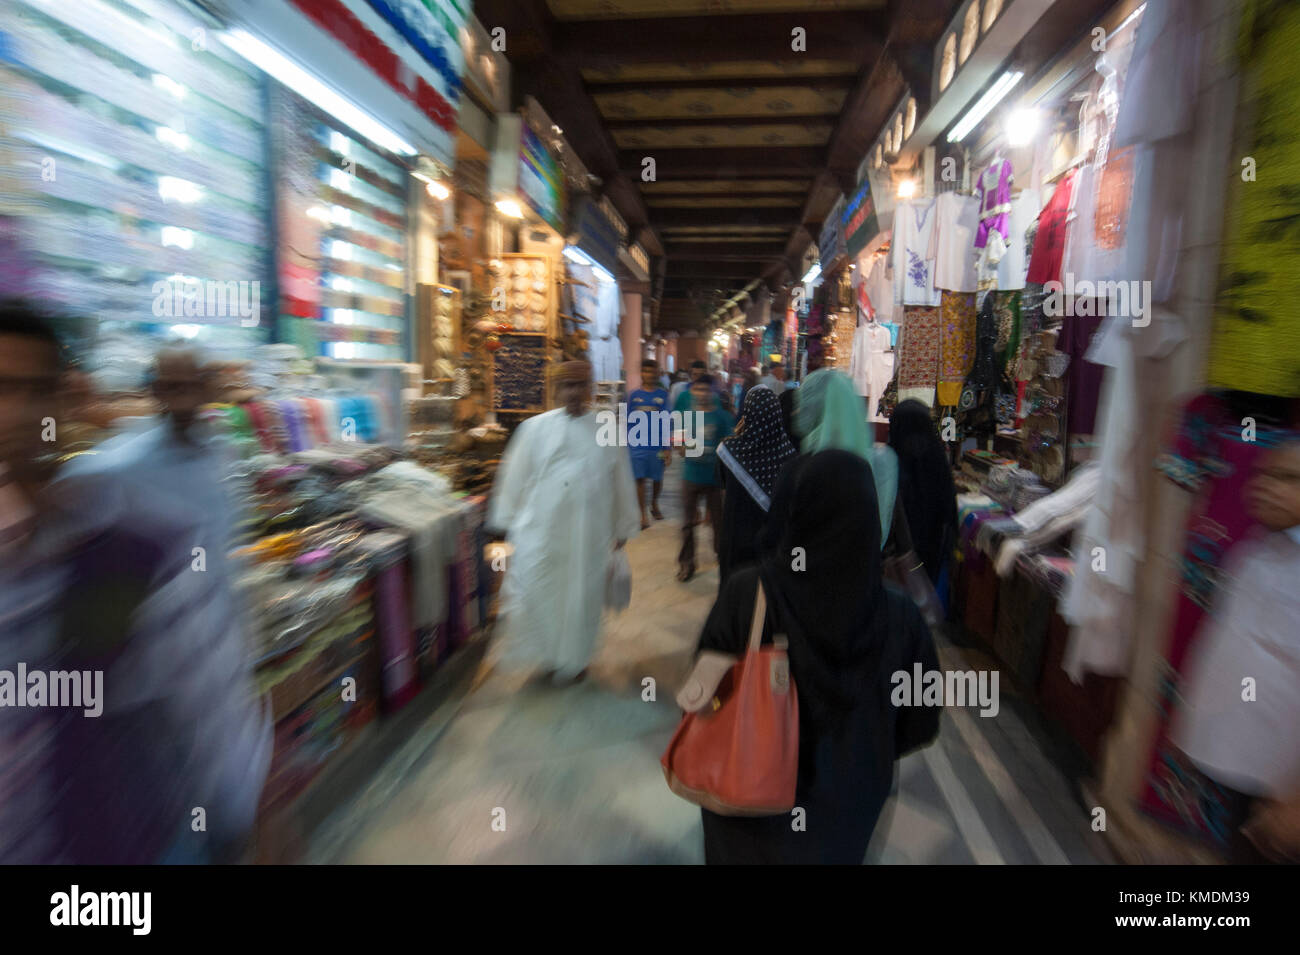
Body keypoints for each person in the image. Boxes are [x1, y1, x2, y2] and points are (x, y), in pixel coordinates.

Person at [0, 303, 253, 864]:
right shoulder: (110, 472)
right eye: (171, 384)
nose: (16, 414)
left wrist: (246, 801)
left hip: (127, 821)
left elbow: (207, 696)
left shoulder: (215, 464)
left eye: (32, 391)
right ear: (156, 390)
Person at [65, 344, 273, 863]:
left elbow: (228, 551)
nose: (181, 400)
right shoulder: (120, 464)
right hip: (152, 682)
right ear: (154, 393)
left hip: (216, 649)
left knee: (219, 811)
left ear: (208, 389)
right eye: (169, 388)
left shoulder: (223, 453)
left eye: (190, 386)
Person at [693, 450, 940, 863]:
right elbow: (919, 725)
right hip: (846, 815)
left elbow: (699, 694)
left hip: (744, 811)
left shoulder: (746, 595)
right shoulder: (901, 619)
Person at [1172, 437, 1300, 863]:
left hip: (1281, 791)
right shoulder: (1255, 552)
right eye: (1263, 473)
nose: (1264, 485)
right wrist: (1191, 727)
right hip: (1236, 770)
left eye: (1287, 478)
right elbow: (1226, 647)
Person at [488, 361, 640, 683]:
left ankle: (576, 660)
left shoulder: (607, 426)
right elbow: (514, 478)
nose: (573, 392)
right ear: (556, 390)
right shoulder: (533, 428)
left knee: (582, 597)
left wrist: (624, 525)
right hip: (542, 533)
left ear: (590, 388)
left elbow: (621, 479)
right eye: (566, 385)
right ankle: (548, 658)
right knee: (539, 592)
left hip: (589, 535)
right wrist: (505, 519)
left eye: (579, 385)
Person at [791, 368, 898, 549]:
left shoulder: (801, 470)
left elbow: (790, 542)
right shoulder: (877, 467)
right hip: (861, 576)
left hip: (808, 573)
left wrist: (797, 570)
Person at [716, 386, 796, 584]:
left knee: (733, 593)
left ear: (747, 413)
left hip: (734, 537)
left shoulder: (728, 451)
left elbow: (722, 495)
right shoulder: (790, 457)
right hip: (771, 543)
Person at [889, 399, 958, 584]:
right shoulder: (936, 457)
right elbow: (948, 507)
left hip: (894, 553)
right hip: (932, 544)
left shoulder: (890, 458)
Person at [677, 373, 733, 582]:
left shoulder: (722, 417)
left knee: (719, 523)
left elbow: (728, 444)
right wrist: (681, 447)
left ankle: (722, 556)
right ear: (692, 391)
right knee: (687, 524)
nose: (701, 393)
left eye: (706, 389)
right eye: (697, 389)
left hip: (714, 478)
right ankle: (687, 564)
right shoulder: (687, 416)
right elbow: (678, 440)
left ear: (713, 393)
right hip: (690, 476)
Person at [627, 358, 670, 529]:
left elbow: (667, 420)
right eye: (645, 371)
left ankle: (654, 504)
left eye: (652, 371)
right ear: (641, 373)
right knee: (640, 478)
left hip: (657, 445)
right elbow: (627, 420)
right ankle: (643, 514)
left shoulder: (663, 395)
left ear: (657, 373)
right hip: (637, 445)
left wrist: (667, 447)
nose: (648, 375)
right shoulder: (633, 396)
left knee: (657, 477)